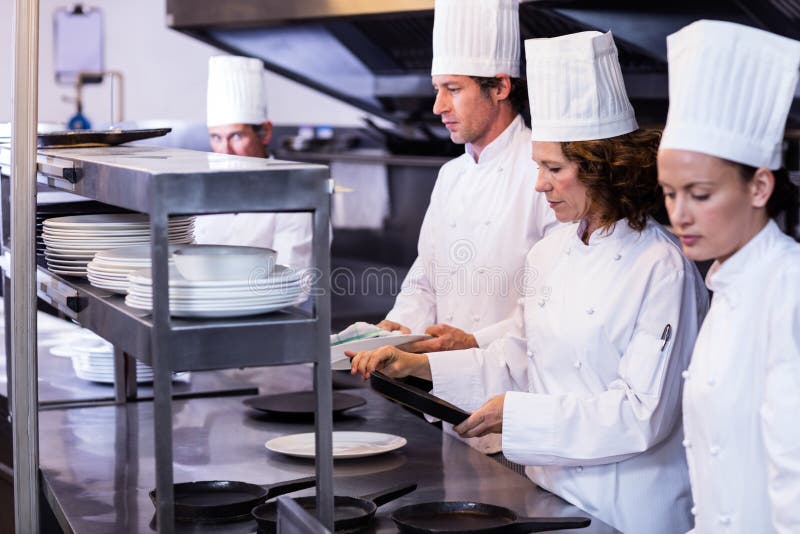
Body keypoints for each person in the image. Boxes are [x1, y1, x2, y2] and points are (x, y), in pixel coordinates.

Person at [350, 31, 708, 534]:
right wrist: (420, 365)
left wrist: (517, 418)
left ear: (603, 167)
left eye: (553, 168)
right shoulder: (552, 252)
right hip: (550, 494)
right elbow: (519, 352)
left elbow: (641, 414)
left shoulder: (660, 267)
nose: (538, 183)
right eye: (538, 165)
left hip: (626, 508)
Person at [377, 0, 557, 453]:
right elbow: (426, 274)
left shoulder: (547, 170)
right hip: (447, 401)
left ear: (499, 86)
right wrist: (396, 327)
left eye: (453, 89)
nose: (438, 106)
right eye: (439, 89)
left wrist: (475, 339)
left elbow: (555, 302)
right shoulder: (451, 175)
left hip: (518, 404)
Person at [657, 20, 800, 533]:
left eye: (700, 194)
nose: (680, 216)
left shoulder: (788, 288)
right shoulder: (727, 280)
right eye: (670, 194)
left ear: (759, 185)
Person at [194, 55, 313, 270]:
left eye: (237, 136)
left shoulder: (295, 194)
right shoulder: (203, 187)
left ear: (265, 132)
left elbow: (294, 281)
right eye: (216, 138)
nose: (225, 151)